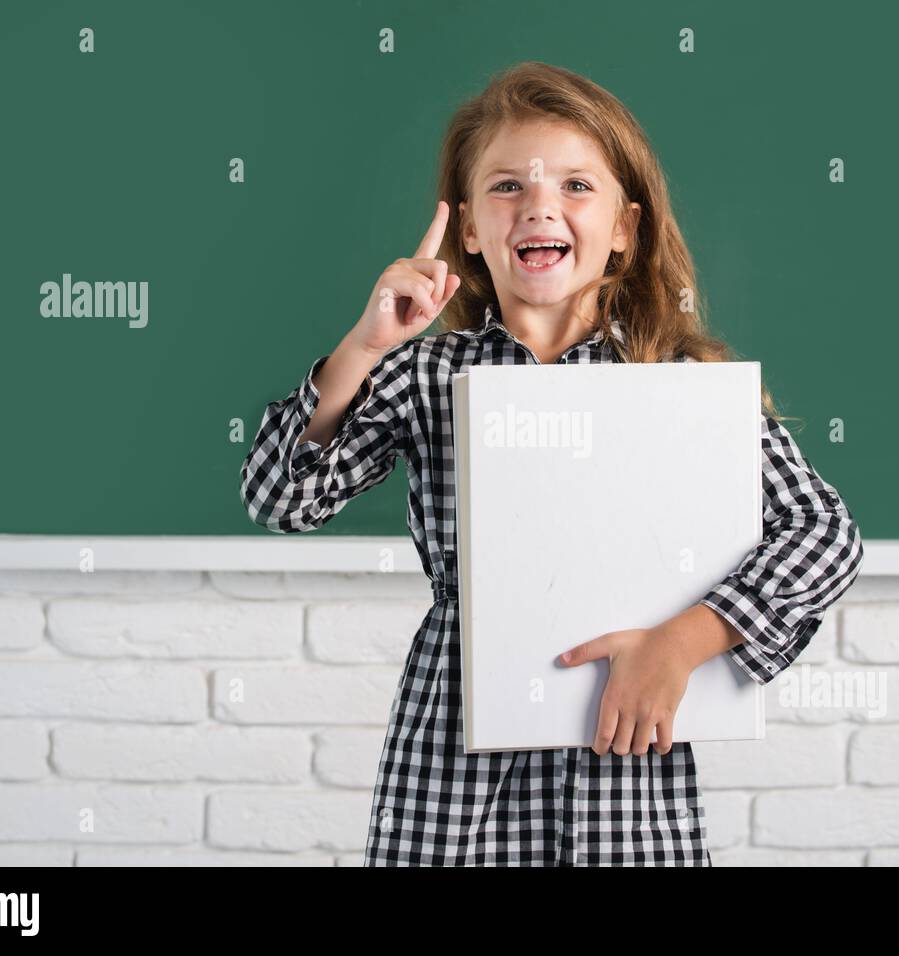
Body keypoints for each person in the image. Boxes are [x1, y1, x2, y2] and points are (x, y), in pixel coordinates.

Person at [240, 61, 864, 866]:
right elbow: (280, 497)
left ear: (624, 229)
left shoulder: (677, 381)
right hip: (455, 767)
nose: (540, 204)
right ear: (469, 230)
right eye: (507, 187)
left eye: (576, 186)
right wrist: (365, 345)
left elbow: (823, 532)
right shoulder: (425, 375)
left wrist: (681, 643)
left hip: (624, 764)